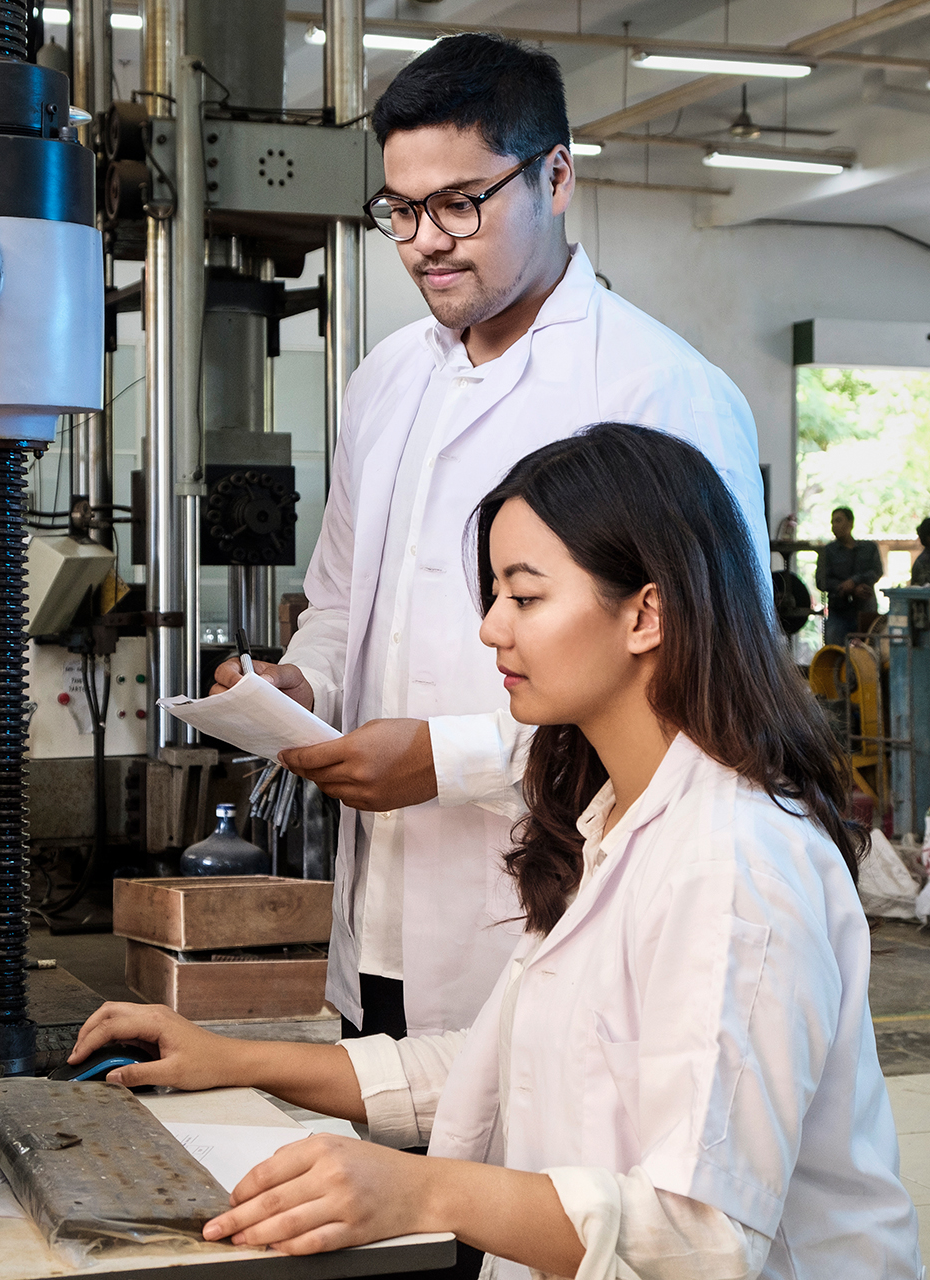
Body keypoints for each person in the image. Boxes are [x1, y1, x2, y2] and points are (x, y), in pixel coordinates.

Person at [74, 426, 920, 1279]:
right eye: (494, 596)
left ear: (646, 613)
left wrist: (424, 1193)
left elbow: (701, 1236)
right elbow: (508, 1062)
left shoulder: (733, 864)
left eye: (524, 597)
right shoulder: (614, 817)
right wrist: (231, 1059)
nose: (489, 630)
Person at [208, 33, 766, 1043]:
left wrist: (449, 758)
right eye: (403, 210)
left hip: (562, 914)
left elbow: (708, 681)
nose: (429, 239)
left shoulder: (654, 389)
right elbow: (342, 603)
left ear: (555, 177)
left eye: (463, 202)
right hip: (375, 921)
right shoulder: (387, 380)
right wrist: (300, 686)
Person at [814, 507, 881, 648]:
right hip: (838, 612)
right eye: (832, 522)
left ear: (851, 523)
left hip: (865, 610)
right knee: (836, 653)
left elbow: (876, 571)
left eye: (838, 521)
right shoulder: (828, 552)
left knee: (869, 652)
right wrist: (846, 588)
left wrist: (854, 582)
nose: (834, 526)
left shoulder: (869, 549)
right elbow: (821, 581)